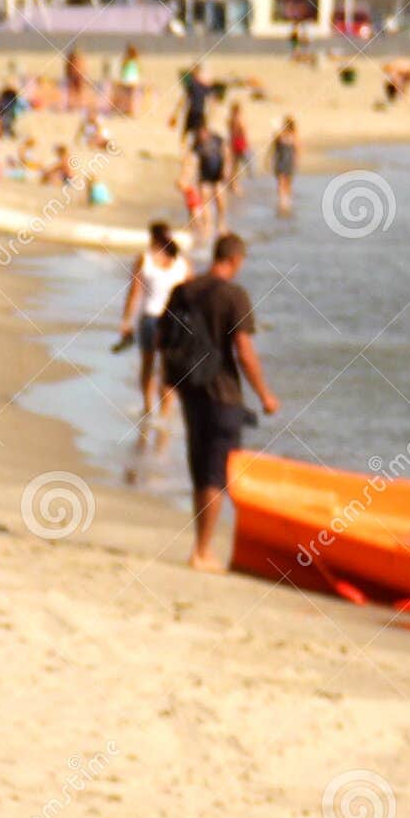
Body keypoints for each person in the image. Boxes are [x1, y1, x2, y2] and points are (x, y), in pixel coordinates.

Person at [158, 233, 280, 572]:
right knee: (216, 473)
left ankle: (200, 547)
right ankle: (201, 551)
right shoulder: (234, 296)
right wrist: (265, 395)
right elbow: (244, 351)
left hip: (190, 390)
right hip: (222, 394)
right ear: (236, 260)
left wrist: (168, 378)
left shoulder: (184, 290)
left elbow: (162, 336)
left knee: (200, 468)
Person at [117, 221, 190, 446]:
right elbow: (191, 296)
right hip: (174, 322)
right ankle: (165, 415)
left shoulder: (145, 260)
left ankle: (148, 407)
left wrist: (126, 320)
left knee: (148, 365)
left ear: (153, 239)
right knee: (169, 370)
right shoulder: (182, 264)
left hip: (150, 319)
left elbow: (134, 293)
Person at [189, 123, 228, 234]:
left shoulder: (217, 140)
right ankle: (208, 225)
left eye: (203, 133)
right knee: (205, 201)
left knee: (221, 201)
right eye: (200, 134)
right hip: (204, 175)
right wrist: (191, 177)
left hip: (218, 174)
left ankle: (221, 222)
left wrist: (226, 168)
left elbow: (226, 152)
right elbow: (193, 160)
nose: (202, 136)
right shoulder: (197, 145)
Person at [170, 63, 213, 145]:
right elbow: (184, 99)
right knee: (190, 134)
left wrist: (175, 113)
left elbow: (183, 99)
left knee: (189, 134)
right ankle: (186, 153)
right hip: (197, 112)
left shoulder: (194, 84)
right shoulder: (200, 85)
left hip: (196, 112)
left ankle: (188, 153)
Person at [270, 116, 298, 217]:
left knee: (288, 183)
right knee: (281, 182)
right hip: (281, 161)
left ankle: (287, 201)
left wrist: (296, 161)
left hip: (288, 162)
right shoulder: (280, 135)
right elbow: (273, 146)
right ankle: (282, 201)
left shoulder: (294, 136)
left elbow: (297, 149)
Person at [226, 100, 251, 188]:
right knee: (238, 164)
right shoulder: (240, 120)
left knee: (233, 164)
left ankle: (232, 183)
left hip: (233, 141)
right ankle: (235, 184)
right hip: (240, 142)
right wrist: (247, 143)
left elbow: (230, 132)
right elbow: (244, 132)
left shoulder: (230, 119)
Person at [64, 44, 87, 110]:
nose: (79, 71)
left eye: (81, 66)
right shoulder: (62, 91)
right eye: (76, 66)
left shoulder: (90, 93)